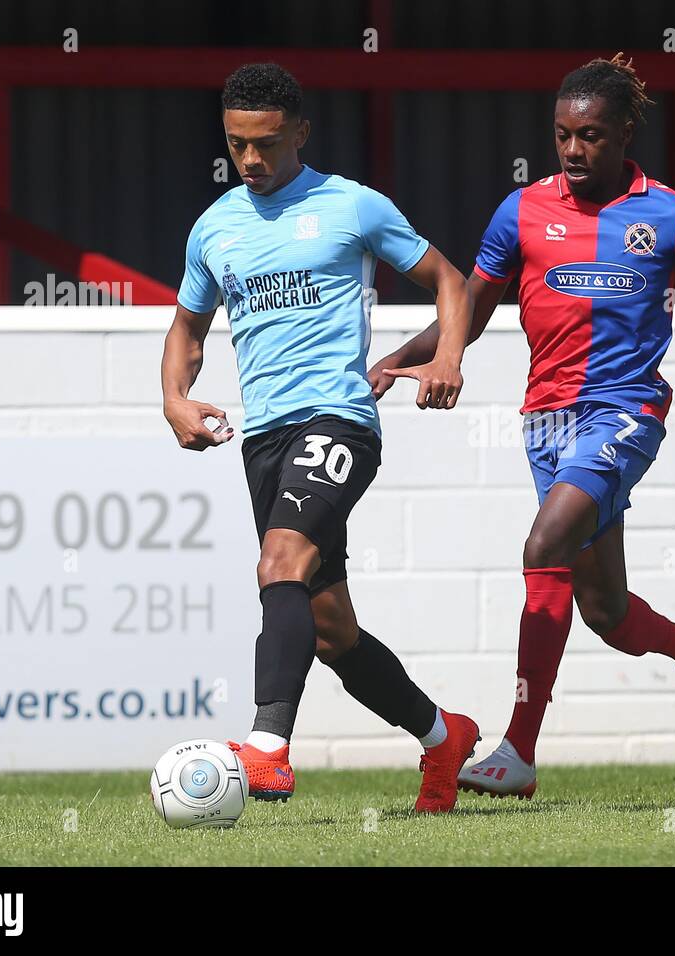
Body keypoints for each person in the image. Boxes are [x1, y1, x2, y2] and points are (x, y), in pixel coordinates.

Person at [370, 55, 675, 798]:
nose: (574, 150)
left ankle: (516, 751)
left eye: (590, 135)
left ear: (624, 133)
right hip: (545, 420)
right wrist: (394, 359)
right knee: (606, 611)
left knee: (543, 542)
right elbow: (472, 313)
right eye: (562, 136)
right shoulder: (521, 212)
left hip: (625, 412)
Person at [161, 63, 480, 812]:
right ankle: (445, 738)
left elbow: (450, 281)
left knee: (278, 562)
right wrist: (174, 398)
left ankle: (267, 748)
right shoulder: (215, 226)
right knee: (332, 633)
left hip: (338, 420)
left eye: (267, 144)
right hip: (264, 440)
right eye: (237, 144)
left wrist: (447, 356)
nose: (251, 160)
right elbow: (187, 328)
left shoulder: (352, 207)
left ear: (300, 133)